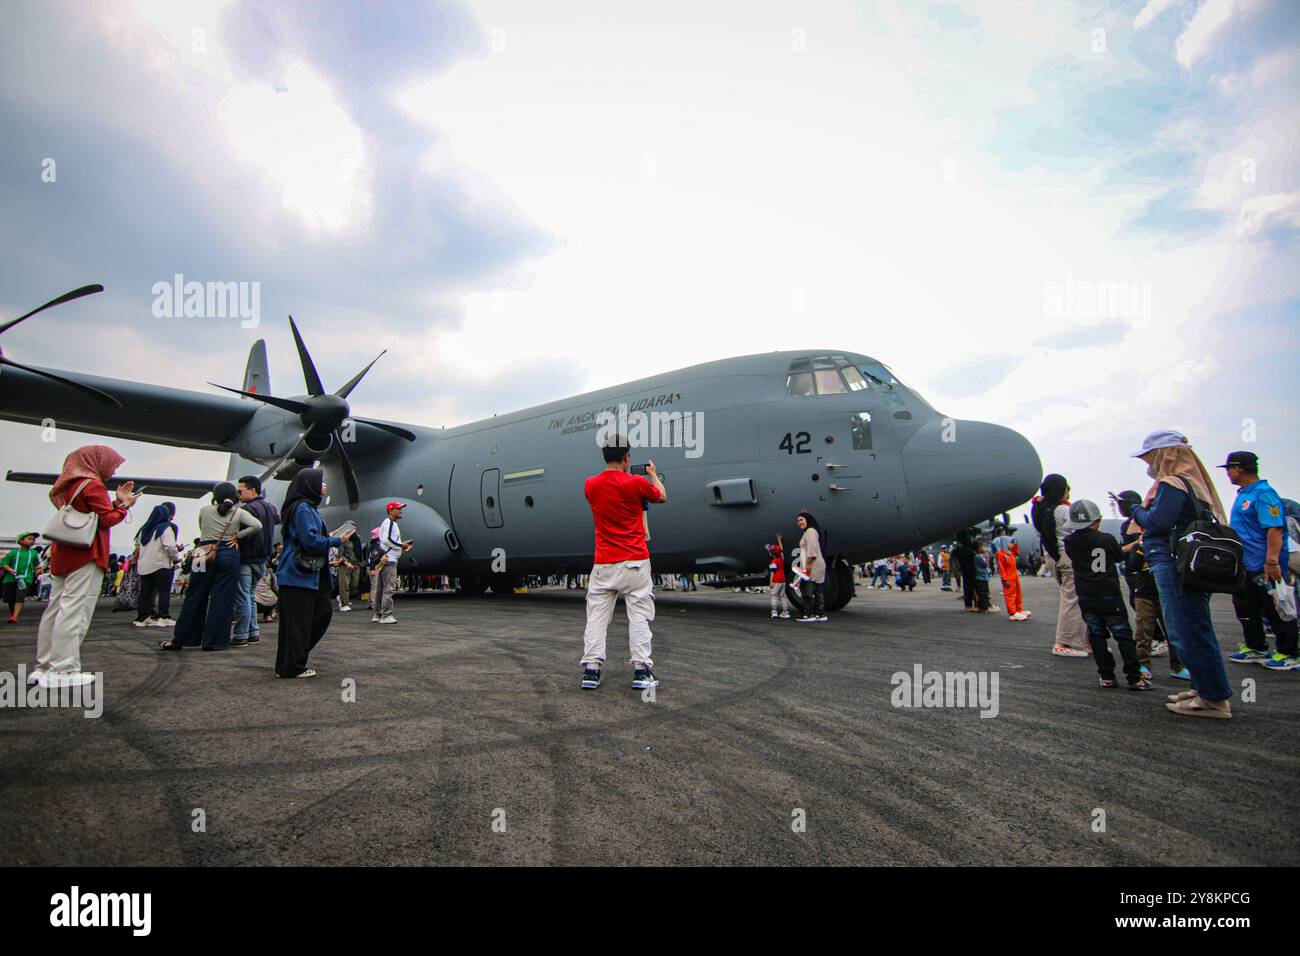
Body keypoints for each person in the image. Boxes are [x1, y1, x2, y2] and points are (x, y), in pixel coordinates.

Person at [1127, 430, 1233, 718]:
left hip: (1173, 563)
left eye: (1150, 457)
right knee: (1193, 625)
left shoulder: (1172, 484)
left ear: (1165, 455)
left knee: (1185, 628)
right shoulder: (1195, 486)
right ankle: (1203, 688)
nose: (1148, 463)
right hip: (1186, 563)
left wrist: (1135, 511)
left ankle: (1214, 698)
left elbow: (1158, 521)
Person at [33, 445, 141, 687]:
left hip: (64, 552)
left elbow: (89, 513)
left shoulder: (70, 484)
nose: (113, 471)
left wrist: (114, 502)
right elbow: (105, 520)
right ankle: (64, 669)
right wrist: (123, 506)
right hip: (86, 554)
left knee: (55, 609)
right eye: (112, 465)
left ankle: (44, 666)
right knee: (75, 611)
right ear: (97, 462)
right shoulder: (93, 485)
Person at [579, 436, 667, 689]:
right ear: (627, 456)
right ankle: (641, 672)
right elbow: (661, 496)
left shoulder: (590, 485)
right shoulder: (637, 483)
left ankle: (591, 671)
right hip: (635, 561)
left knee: (596, 616)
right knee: (639, 615)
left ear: (604, 456)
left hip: (604, 562)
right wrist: (652, 474)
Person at [1217, 452, 1298, 671]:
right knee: (1248, 606)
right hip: (1246, 563)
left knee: (1275, 607)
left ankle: (1290, 652)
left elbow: (1274, 528)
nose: (1227, 474)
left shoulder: (1264, 494)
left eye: (1228, 469)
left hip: (1264, 563)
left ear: (1238, 469)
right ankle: (1256, 646)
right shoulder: (1245, 493)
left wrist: (1271, 561)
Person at [161, 482, 262, 651]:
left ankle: (181, 639)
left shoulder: (205, 510)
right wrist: (237, 536)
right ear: (235, 496)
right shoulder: (238, 512)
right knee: (222, 598)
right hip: (228, 552)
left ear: (215, 496)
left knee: (194, 594)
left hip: (202, 552)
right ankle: (214, 641)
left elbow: (202, 529)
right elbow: (257, 525)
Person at [1063, 499, 1151, 690]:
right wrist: (1137, 544)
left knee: (1097, 634)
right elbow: (1118, 555)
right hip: (1108, 593)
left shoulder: (1069, 542)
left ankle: (1106, 676)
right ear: (1097, 520)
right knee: (1123, 635)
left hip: (1086, 594)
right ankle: (1134, 677)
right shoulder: (1106, 539)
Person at [274, 469, 350, 678]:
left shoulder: (307, 509)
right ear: (310, 486)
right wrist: (336, 541)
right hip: (300, 573)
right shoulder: (304, 509)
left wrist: (328, 536)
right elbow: (310, 542)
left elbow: (309, 537)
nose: (325, 485)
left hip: (306, 574)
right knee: (302, 621)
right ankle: (293, 665)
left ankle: (289, 662)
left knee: (311, 617)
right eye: (321, 482)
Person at [1115, 491, 1186, 681]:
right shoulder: (1127, 528)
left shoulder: (1165, 529)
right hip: (1143, 586)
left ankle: (1178, 666)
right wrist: (1138, 549)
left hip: (1163, 585)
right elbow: (1131, 564)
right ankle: (1143, 665)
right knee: (1143, 629)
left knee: (1172, 628)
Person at [1032, 475, 1090, 657]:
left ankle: (1082, 641)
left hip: (1052, 556)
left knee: (1075, 598)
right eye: (1066, 488)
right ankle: (1065, 642)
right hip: (1068, 555)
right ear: (1059, 490)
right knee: (1073, 599)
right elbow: (1085, 529)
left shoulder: (1038, 510)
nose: (1068, 491)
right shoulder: (1063, 511)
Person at [234, 476, 280, 646]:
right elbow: (277, 520)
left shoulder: (246, 509)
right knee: (250, 595)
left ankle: (241, 634)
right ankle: (253, 632)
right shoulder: (271, 507)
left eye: (241, 491)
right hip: (262, 561)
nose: (238, 494)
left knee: (243, 596)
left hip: (246, 558)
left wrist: (236, 537)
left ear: (252, 490)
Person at [134, 502, 180, 628]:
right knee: (164, 592)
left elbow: (137, 547)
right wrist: (176, 558)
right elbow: (170, 546)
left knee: (145, 592)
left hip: (144, 566)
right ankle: (163, 617)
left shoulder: (143, 530)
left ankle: (142, 617)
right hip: (161, 565)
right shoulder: (165, 528)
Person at [372, 501, 412, 624]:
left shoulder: (388, 523)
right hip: (390, 560)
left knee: (381, 588)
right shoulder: (390, 523)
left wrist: (401, 546)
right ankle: (386, 614)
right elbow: (387, 539)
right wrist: (401, 545)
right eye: (398, 509)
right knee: (389, 588)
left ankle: (377, 614)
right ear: (391, 510)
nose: (400, 511)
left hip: (385, 559)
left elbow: (386, 540)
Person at [794, 512, 828, 622]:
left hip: (813, 564)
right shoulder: (812, 531)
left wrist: (807, 565)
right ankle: (820, 614)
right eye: (798, 521)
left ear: (808, 520)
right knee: (818, 590)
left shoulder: (810, 532)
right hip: (818, 563)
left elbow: (811, 550)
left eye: (801, 520)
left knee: (807, 591)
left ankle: (808, 614)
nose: (799, 523)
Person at [2, 532, 42, 624]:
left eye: (33, 539)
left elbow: (36, 564)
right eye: (29, 539)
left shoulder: (33, 553)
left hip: (26, 579)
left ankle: (15, 616)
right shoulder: (13, 552)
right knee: (11, 599)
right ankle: (13, 615)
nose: (32, 541)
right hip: (10, 578)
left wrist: (38, 569)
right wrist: (10, 570)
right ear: (20, 541)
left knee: (20, 597)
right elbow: (3, 563)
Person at [994, 534, 1028, 620]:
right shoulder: (1000, 554)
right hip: (1008, 578)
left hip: (1015, 576)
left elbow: (1017, 552)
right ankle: (1012, 612)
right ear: (1005, 543)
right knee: (1010, 595)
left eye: (1013, 543)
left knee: (1018, 593)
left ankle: (1019, 609)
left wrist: (1015, 540)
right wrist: (1005, 579)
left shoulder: (1010, 553)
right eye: (1011, 543)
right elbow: (1001, 568)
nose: (1013, 545)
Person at [334, 529, 363, 612]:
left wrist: (360, 563)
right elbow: (339, 554)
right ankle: (344, 604)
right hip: (345, 564)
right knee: (344, 585)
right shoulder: (343, 540)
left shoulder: (357, 539)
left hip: (355, 564)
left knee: (354, 584)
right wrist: (345, 562)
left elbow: (359, 551)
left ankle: (342, 597)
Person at [765, 533, 790, 619]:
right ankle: (786, 612)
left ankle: (774, 611)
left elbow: (772, 572)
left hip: (776, 579)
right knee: (782, 596)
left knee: (774, 595)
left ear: (771, 554)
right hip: (783, 579)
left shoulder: (773, 562)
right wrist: (779, 540)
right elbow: (781, 549)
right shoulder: (781, 559)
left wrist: (771, 581)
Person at [972, 541, 993, 611]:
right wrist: (987, 557)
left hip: (980, 576)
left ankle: (984, 607)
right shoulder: (978, 557)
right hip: (981, 577)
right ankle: (983, 608)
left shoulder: (976, 556)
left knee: (983, 593)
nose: (984, 548)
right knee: (983, 593)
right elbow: (985, 564)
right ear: (979, 548)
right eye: (982, 547)